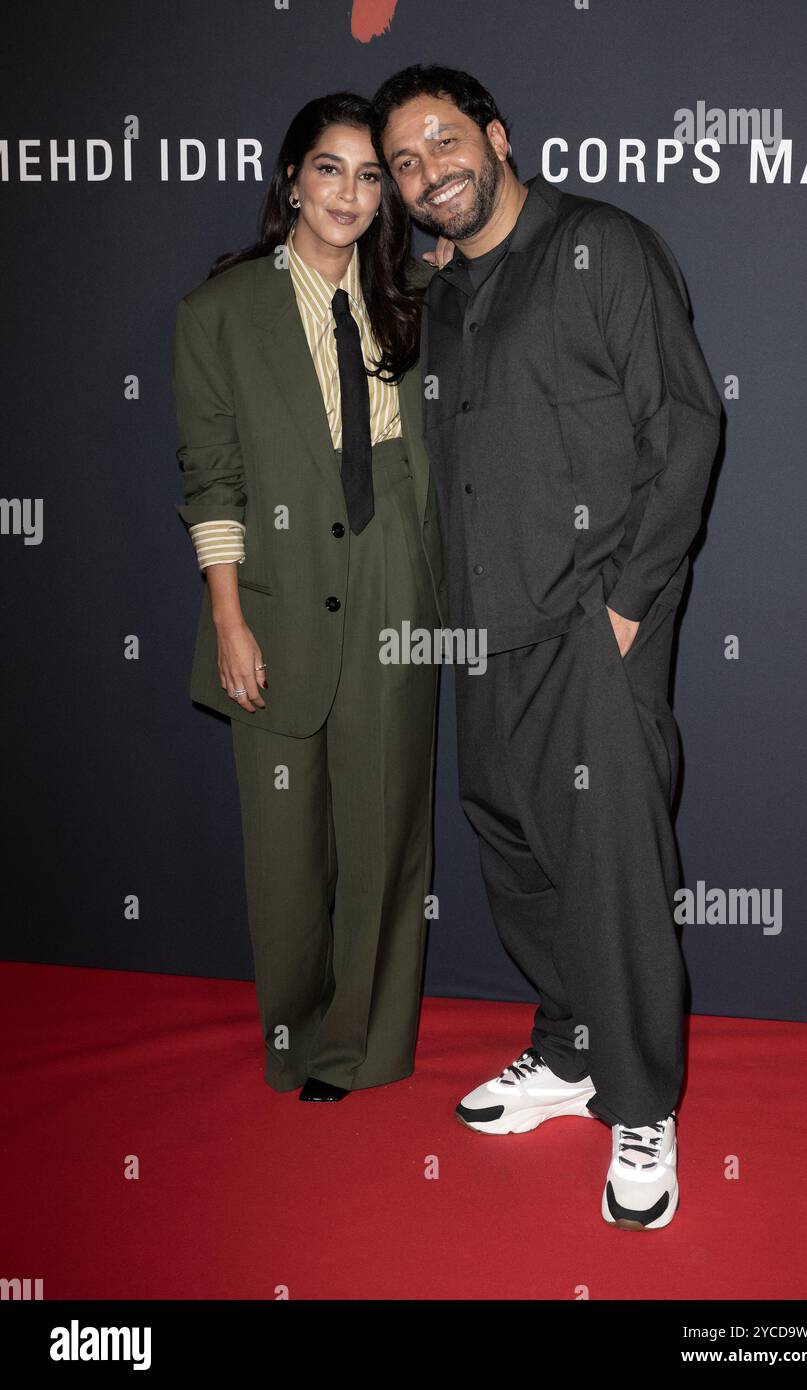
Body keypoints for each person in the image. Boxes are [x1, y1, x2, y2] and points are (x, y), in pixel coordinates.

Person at [372, 65, 722, 1228]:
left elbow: (683, 425)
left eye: (442, 143)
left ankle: (638, 1103)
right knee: (515, 848)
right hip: (486, 628)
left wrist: (624, 605)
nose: (428, 174)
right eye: (406, 164)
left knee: (612, 867)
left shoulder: (603, 247)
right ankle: (570, 1052)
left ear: (497, 137)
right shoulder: (449, 293)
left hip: (589, 626)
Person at [172, 93, 448, 1102]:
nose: (350, 192)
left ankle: (361, 1047)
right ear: (290, 179)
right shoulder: (217, 311)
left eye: (371, 174)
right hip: (276, 587)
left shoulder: (415, 291)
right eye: (329, 169)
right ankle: (292, 1038)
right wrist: (228, 615)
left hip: (391, 574)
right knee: (284, 851)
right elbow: (210, 477)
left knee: (383, 827)